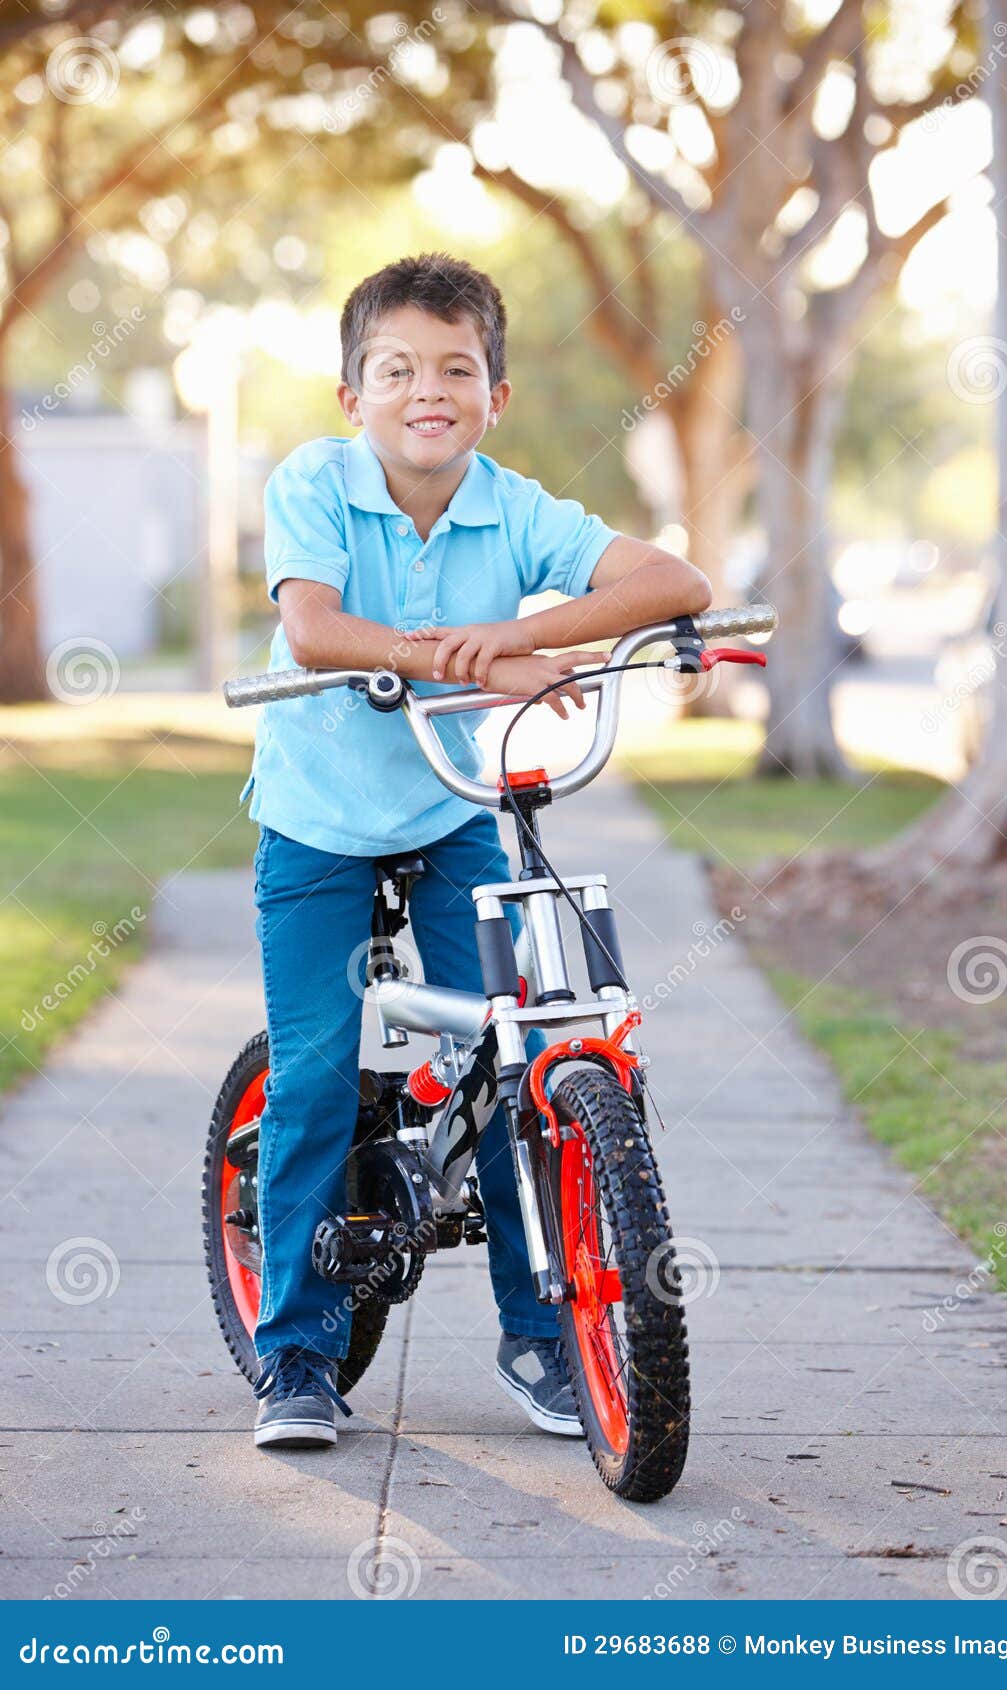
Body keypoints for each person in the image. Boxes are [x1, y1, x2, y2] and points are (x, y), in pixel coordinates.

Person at [243, 251, 711, 1449]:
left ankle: (536, 1331)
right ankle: (295, 1351)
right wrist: (464, 660)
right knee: (309, 1075)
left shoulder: (516, 508)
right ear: (354, 397)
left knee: (517, 1052)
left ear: (493, 395)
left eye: (456, 368)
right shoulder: (315, 481)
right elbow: (313, 630)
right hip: (317, 821)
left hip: (453, 810)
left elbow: (673, 578)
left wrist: (508, 634)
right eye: (394, 369)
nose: (426, 390)